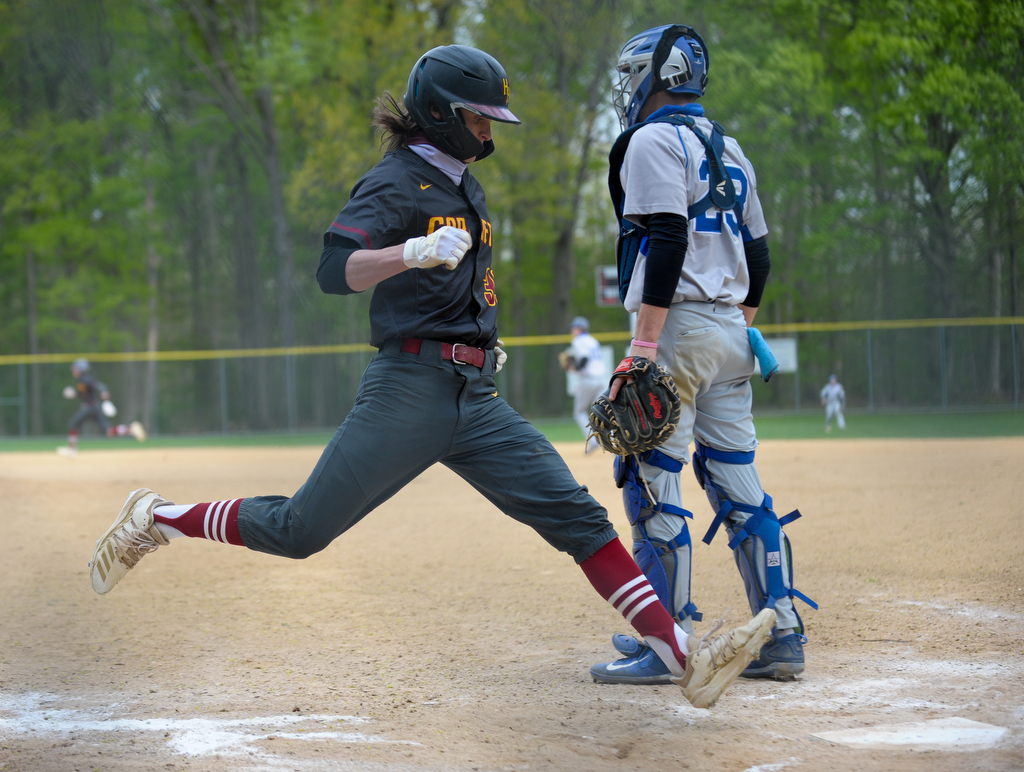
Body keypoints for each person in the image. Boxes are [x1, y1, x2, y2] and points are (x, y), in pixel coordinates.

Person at [88, 45, 775, 710]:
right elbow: (335, 272)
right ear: (442, 113)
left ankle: (681, 657)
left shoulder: (462, 184)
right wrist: (406, 252)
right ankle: (158, 518)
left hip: (476, 398)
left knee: (579, 519)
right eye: (479, 117)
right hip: (408, 389)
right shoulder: (392, 182)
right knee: (300, 530)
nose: (487, 131)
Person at [590, 25, 815, 686]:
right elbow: (761, 255)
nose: (628, 87)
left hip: (678, 328)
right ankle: (782, 630)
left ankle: (670, 642)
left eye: (634, 73)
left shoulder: (653, 139)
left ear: (660, 75)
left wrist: (641, 346)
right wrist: (738, 324)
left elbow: (665, 237)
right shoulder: (730, 147)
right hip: (728, 330)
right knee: (738, 482)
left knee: (653, 480)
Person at [58, 359, 146, 457]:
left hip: (90, 408)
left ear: (81, 369)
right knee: (108, 431)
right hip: (95, 408)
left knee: (73, 424)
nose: (73, 370)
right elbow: (84, 393)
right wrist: (75, 393)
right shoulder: (82, 381)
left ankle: (72, 450)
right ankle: (130, 429)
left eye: (75, 368)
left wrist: (103, 392)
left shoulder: (85, 379)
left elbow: (99, 386)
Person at [560, 316, 607, 453]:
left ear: (579, 329)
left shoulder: (578, 340)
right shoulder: (593, 340)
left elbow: (585, 359)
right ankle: (611, 440)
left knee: (579, 412)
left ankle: (593, 441)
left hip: (589, 379)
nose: (572, 331)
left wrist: (575, 367)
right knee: (601, 413)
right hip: (602, 379)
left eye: (574, 328)